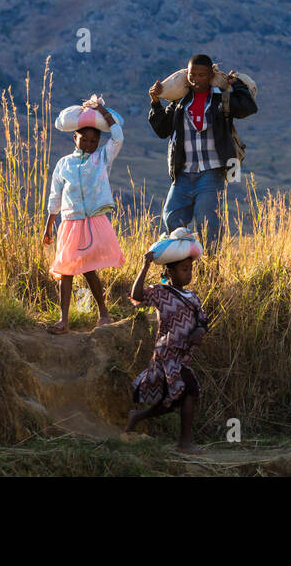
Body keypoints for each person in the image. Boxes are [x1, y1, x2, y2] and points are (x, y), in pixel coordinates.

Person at [148, 54, 257, 247]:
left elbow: (248, 107)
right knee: (171, 217)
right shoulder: (180, 103)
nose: (195, 80)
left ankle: (211, 261)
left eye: (201, 75)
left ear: (211, 76)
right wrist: (155, 102)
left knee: (207, 221)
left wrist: (237, 85)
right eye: (192, 75)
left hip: (212, 172)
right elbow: (162, 130)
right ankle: (181, 261)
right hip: (183, 172)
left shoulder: (221, 99)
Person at [43, 96, 125, 334]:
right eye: (84, 139)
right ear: (74, 138)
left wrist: (103, 112)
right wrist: (49, 225)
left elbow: (118, 138)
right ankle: (63, 321)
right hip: (70, 224)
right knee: (66, 270)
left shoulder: (102, 158)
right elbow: (55, 197)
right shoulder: (64, 164)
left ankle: (104, 313)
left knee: (89, 270)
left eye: (94, 140)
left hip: (94, 222)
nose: (89, 144)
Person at [126, 228, 209, 454]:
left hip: (183, 356)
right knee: (190, 391)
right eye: (183, 269)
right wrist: (144, 267)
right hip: (167, 354)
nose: (188, 274)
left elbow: (203, 320)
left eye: (190, 269)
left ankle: (137, 417)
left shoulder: (193, 298)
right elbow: (137, 296)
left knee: (173, 401)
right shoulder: (161, 293)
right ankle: (184, 443)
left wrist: (199, 332)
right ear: (170, 272)